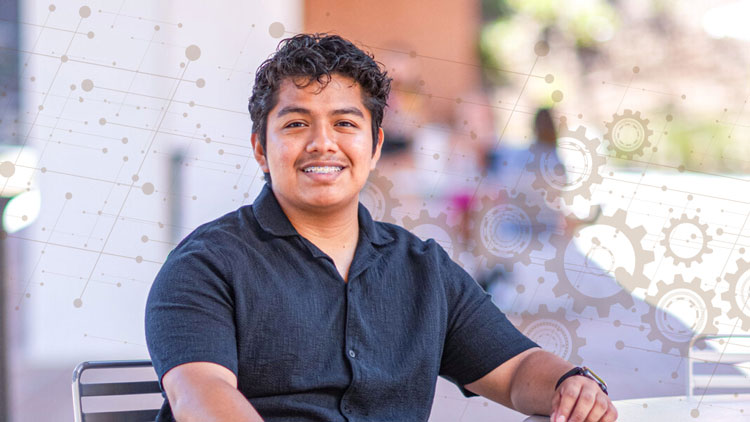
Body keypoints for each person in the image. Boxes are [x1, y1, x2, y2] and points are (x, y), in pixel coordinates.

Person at [145, 34, 618, 422]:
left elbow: (516, 370)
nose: (322, 143)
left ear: (374, 148)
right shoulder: (205, 267)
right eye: (295, 124)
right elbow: (201, 400)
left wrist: (570, 384)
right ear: (259, 148)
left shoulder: (424, 270)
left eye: (345, 123)